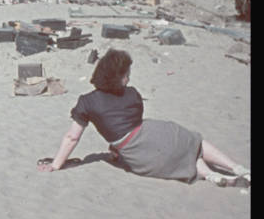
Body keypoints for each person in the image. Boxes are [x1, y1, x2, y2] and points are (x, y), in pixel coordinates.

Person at [37, 48, 251, 187]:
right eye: (126, 74)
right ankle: (236, 168)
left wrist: (56, 164)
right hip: (155, 134)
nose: (128, 78)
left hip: (138, 156)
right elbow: (135, 120)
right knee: (195, 142)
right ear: (118, 77)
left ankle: (210, 175)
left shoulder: (87, 101)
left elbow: (72, 138)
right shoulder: (133, 94)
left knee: (187, 156)